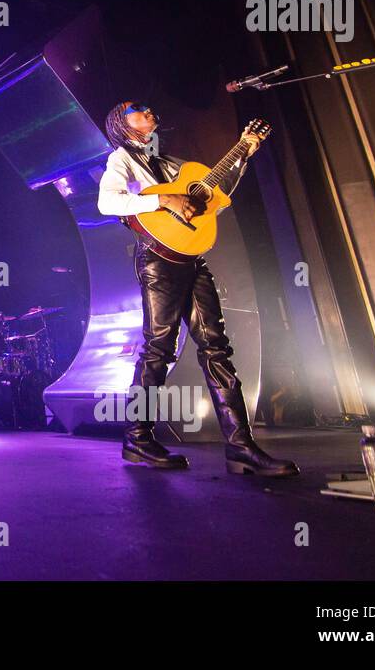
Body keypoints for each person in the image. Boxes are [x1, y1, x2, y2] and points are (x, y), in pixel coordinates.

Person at [97, 100, 299, 476]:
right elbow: (106, 202)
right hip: (157, 260)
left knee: (216, 347)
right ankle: (138, 439)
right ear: (121, 125)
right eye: (137, 110)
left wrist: (241, 156)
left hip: (191, 259)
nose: (150, 111)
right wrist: (162, 198)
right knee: (159, 346)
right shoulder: (122, 160)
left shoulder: (176, 165)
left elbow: (215, 202)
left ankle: (241, 446)